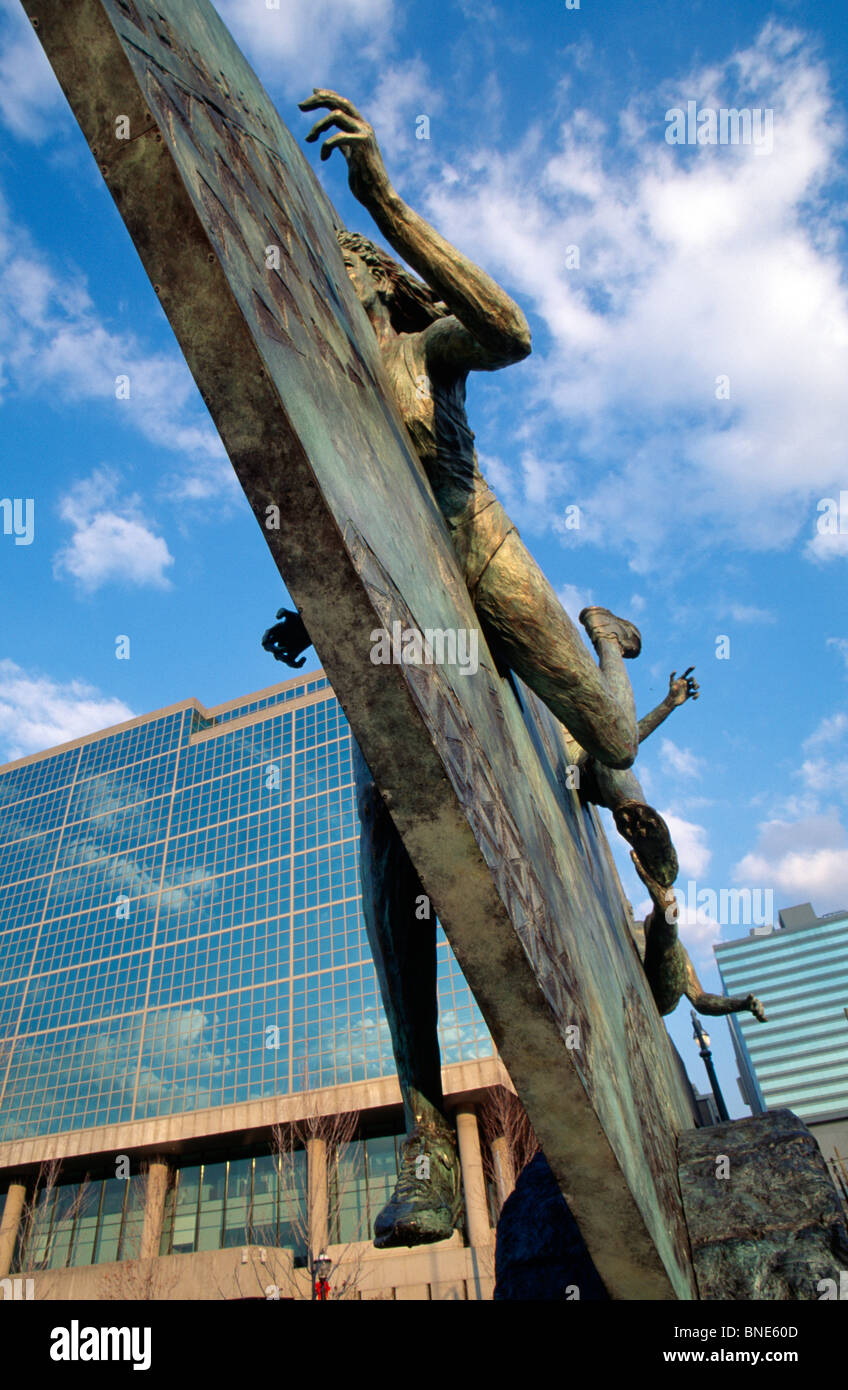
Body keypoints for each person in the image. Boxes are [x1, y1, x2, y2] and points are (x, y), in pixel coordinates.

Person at [269, 91, 764, 1247]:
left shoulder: (412, 347)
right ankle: (428, 1148)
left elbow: (509, 330)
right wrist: (307, 610)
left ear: (375, 283)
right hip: (400, 618)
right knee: (386, 881)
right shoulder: (325, 397)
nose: (334, 291)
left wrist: (382, 199)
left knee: (617, 737)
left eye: (347, 276)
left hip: (478, 559)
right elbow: (348, 515)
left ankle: (604, 629)